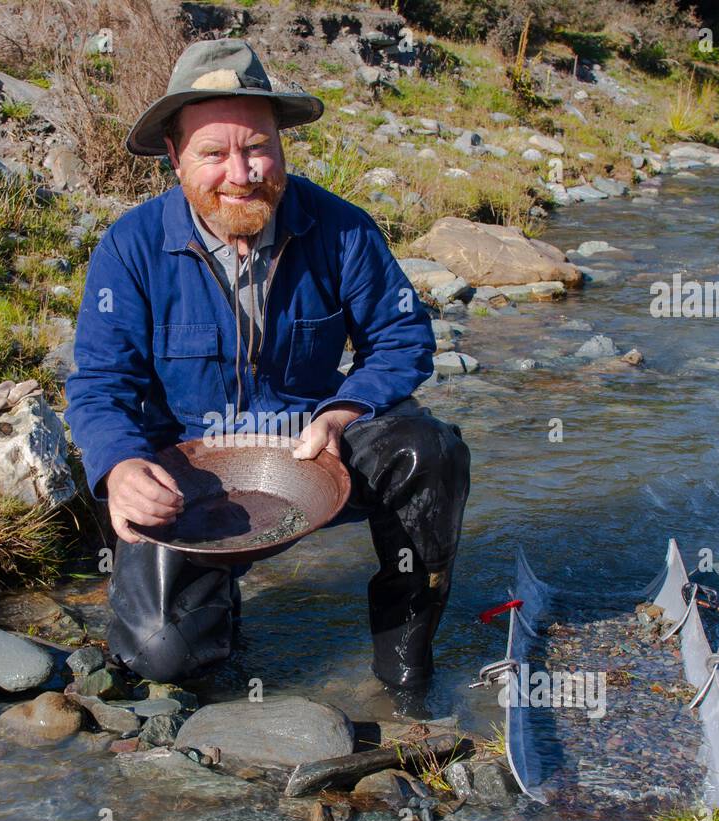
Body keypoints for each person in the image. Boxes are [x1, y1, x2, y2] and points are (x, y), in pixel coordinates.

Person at [64, 38, 470, 714]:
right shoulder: (130, 248)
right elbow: (99, 384)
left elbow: (402, 340)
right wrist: (121, 468)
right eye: (213, 154)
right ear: (174, 156)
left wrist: (344, 410)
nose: (241, 174)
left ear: (281, 145)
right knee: (163, 656)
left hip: (311, 450)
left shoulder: (342, 230)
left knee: (430, 451)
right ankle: (212, 596)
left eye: (257, 148)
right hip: (190, 476)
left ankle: (406, 672)